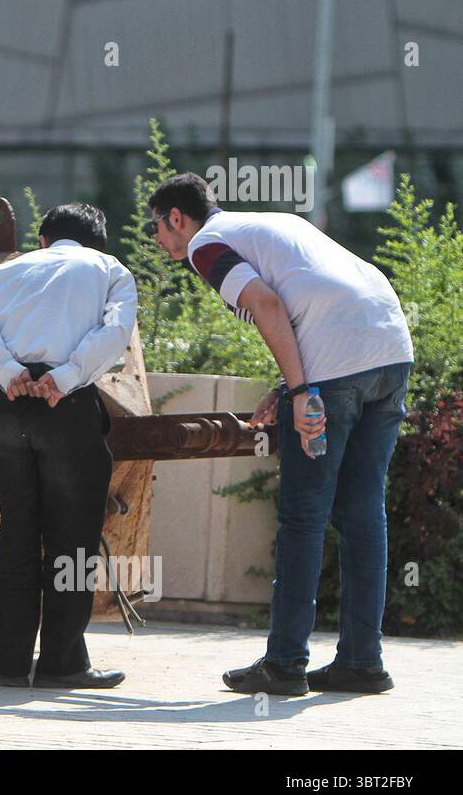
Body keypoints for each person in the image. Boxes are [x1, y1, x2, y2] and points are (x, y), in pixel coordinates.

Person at [146, 173, 414, 696]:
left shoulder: (205, 244)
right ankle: (362, 662)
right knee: (363, 511)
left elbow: (269, 306)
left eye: (156, 226)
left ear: (177, 217)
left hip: (336, 371)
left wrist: (300, 393)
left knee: (303, 515)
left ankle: (285, 665)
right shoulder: (272, 223)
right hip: (391, 353)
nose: (157, 238)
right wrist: (288, 383)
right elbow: (317, 299)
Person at [0, 203, 137, 689]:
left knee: (14, 538)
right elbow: (115, 331)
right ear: (97, 241)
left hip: (7, 409)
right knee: (72, 543)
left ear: (42, 240)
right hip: (67, 409)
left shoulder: (1, 270)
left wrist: (8, 371)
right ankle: (63, 664)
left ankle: (11, 666)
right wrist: (65, 377)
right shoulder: (109, 269)